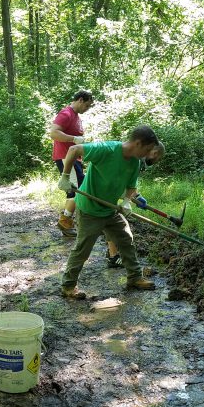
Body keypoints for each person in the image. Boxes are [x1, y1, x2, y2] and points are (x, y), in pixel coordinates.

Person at [57, 125, 165, 298]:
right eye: (147, 149)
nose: (147, 154)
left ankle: (135, 277)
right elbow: (73, 149)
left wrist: (127, 201)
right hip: (90, 210)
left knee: (126, 239)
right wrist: (65, 176)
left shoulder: (135, 162)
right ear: (138, 143)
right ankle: (68, 286)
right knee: (82, 249)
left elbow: (130, 186)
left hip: (110, 209)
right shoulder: (107, 149)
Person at [49, 90, 94, 237]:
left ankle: (72, 221)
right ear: (80, 100)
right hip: (65, 157)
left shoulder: (76, 116)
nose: (87, 109)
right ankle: (65, 221)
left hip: (75, 158)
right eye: (87, 105)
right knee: (76, 191)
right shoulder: (66, 113)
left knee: (78, 190)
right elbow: (54, 133)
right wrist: (73, 139)